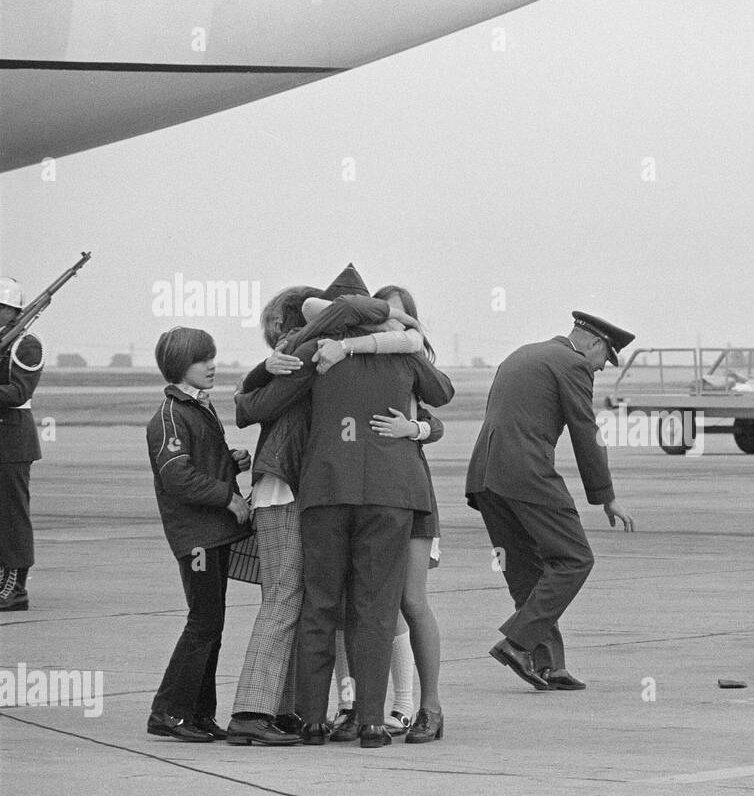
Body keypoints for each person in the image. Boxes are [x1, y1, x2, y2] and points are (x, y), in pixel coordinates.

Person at [240, 267, 453, 747]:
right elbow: (442, 393)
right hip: (391, 495)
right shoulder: (402, 354)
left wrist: (268, 365)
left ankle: (315, 718)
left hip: (326, 492)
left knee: (321, 604)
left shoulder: (318, 355)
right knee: (377, 609)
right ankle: (374, 723)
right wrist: (408, 336)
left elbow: (254, 407)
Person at [467, 312, 635, 691]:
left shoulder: (523, 354)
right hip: (526, 475)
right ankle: (516, 644)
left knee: (527, 570)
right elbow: (585, 431)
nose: (601, 368)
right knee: (575, 558)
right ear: (594, 344)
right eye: (604, 359)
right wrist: (606, 498)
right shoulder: (573, 364)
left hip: (485, 476)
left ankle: (548, 664)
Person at [324, 284, 448, 744]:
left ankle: (426, 708)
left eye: (398, 316)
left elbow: (441, 403)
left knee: (410, 601)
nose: (388, 322)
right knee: (356, 605)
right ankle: (356, 705)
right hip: (366, 496)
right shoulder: (350, 357)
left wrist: (416, 427)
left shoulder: (408, 359)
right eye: (381, 314)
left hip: (411, 494)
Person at [145, 327, 252, 741]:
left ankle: (200, 713)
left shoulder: (197, 408)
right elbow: (177, 476)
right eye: (201, 359)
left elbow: (198, 462)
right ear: (178, 367)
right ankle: (168, 712)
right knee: (203, 623)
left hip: (212, 534)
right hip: (197, 538)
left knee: (212, 624)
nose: (211, 365)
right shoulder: (171, 414)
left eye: (212, 356)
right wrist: (228, 495)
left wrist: (229, 462)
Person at [0, 277, 43, 612]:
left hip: (12, 440)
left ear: (13, 311)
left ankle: (16, 589)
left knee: (13, 515)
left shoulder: (26, 344)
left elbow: (18, 392)